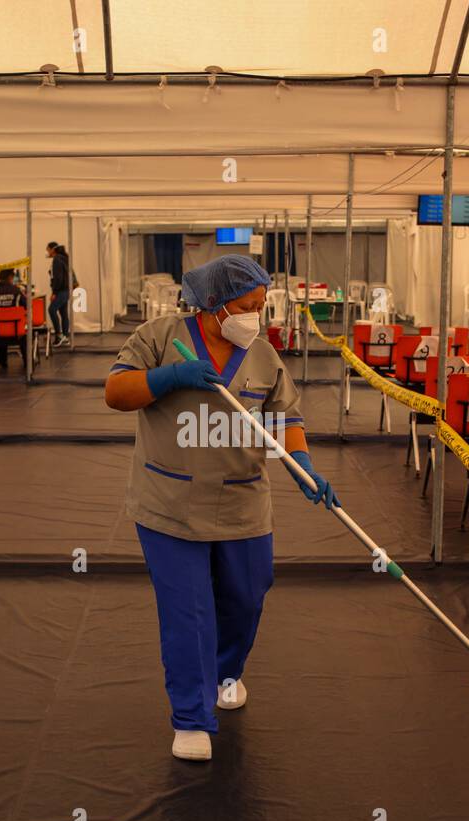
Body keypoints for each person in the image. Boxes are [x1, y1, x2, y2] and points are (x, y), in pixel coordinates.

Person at [104, 254, 338, 762]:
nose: (256, 317)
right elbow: (116, 392)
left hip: (243, 503)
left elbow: (284, 415)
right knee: (188, 611)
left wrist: (302, 464)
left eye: (261, 307)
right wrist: (171, 378)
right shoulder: (160, 337)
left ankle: (225, 675)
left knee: (246, 597)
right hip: (169, 503)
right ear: (213, 305)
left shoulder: (262, 354)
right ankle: (191, 716)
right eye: (247, 306)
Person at [0, 267, 27, 370]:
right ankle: (27, 362)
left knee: (1, 331)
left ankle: (2, 361)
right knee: (25, 336)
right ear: (11, 277)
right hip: (16, 332)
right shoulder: (16, 291)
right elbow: (25, 307)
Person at [47, 242, 73, 347]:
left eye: (48, 250)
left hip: (61, 290)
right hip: (66, 290)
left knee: (51, 310)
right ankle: (65, 337)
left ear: (52, 250)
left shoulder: (57, 259)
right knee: (63, 313)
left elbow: (58, 278)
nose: (47, 252)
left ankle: (59, 335)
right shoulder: (63, 258)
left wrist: (54, 292)